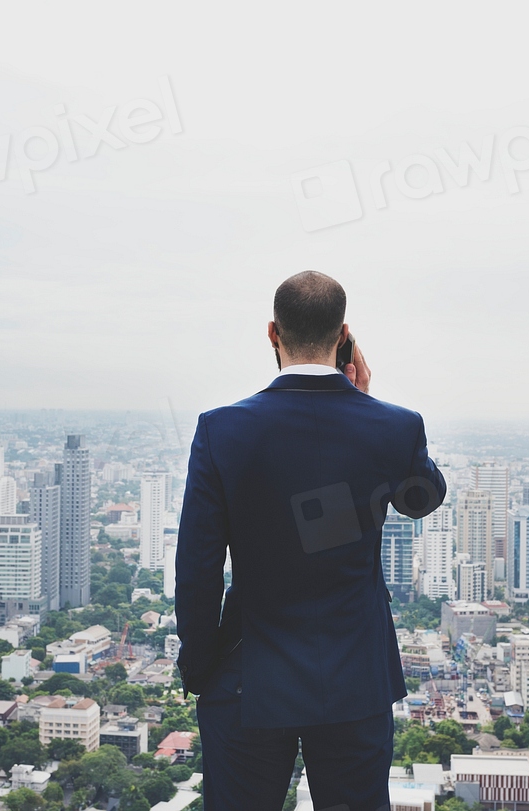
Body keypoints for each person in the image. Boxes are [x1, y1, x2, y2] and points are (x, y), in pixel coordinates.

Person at [175, 270, 447, 811]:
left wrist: (201, 670)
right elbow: (424, 499)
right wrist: (365, 403)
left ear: (272, 333)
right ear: (343, 333)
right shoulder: (394, 426)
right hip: (356, 678)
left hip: (247, 678)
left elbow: (197, 567)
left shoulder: (221, 430)